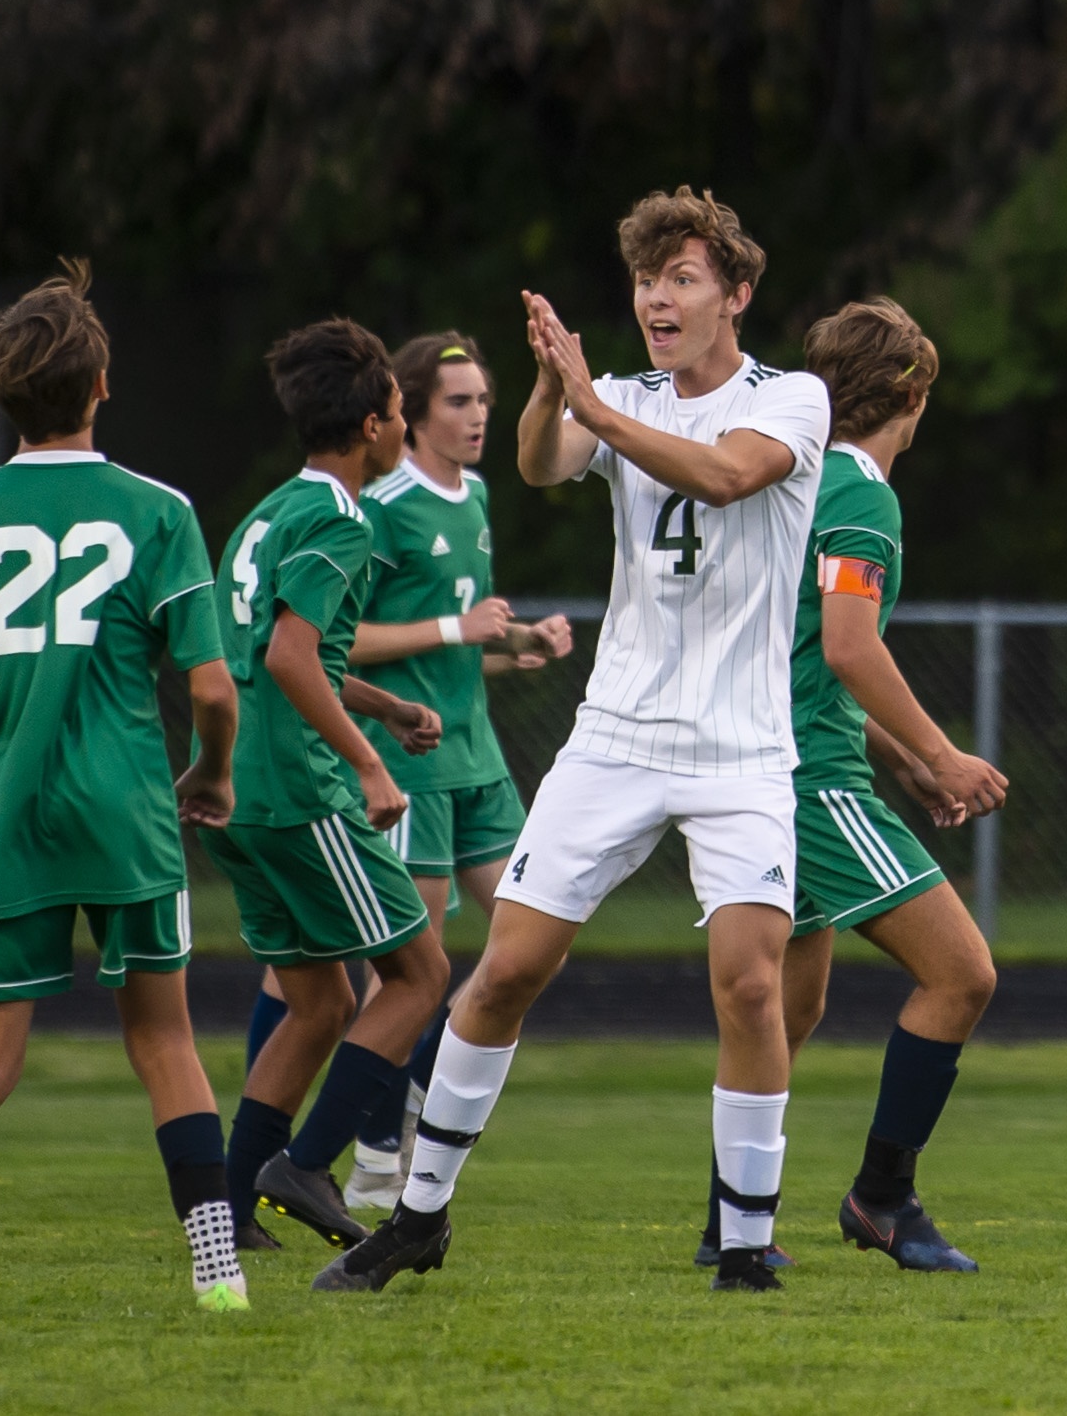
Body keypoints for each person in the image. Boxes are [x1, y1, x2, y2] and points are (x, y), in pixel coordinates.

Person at [317, 187, 833, 1296]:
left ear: (735, 296)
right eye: (648, 278)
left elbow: (726, 475)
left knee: (749, 987)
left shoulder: (791, 398)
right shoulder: (619, 396)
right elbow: (545, 463)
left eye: (683, 277)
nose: (659, 295)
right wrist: (557, 388)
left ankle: (744, 1246)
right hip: (616, 739)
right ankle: (418, 1217)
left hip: (742, 752)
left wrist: (591, 406)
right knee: (504, 970)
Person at [0, 264, 248, 1315]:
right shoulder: (158, 510)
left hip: (4, 815)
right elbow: (214, 687)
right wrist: (210, 772)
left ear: (7, 400)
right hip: (126, 809)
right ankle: (218, 1270)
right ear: (101, 387)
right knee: (165, 1043)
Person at [690, 298, 1006, 1274]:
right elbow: (847, 645)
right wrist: (944, 751)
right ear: (911, 396)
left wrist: (904, 761)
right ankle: (882, 1197)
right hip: (807, 781)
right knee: (961, 976)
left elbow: (797, 659)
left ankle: (728, 1223)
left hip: (747, 762)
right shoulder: (860, 493)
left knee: (787, 1007)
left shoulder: (785, 482)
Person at [229, 334, 575, 1212]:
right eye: (455, 400)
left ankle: (266, 1187)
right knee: (398, 978)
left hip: (448, 756)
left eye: (483, 399)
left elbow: (299, 649)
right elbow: (306, 650)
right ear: (397, 416)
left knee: (509, 944)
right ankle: (373, 1149)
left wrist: (511, 644)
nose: (477, 415)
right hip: (350, 776)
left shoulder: (295, 507)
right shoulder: (361, 511)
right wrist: (373, 747)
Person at [200, 320, 452, 1254]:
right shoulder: (341, 519)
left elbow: (281, 655)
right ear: (376, 426)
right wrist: (370, 763)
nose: (401, 424)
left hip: (238, 799)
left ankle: (229, 1208)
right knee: (421, 974)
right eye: (398, 409)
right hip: (300, 795)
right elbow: (290, 656)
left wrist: (382, 706)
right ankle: (304, 1166)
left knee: (320, 1003)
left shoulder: (267, 513)